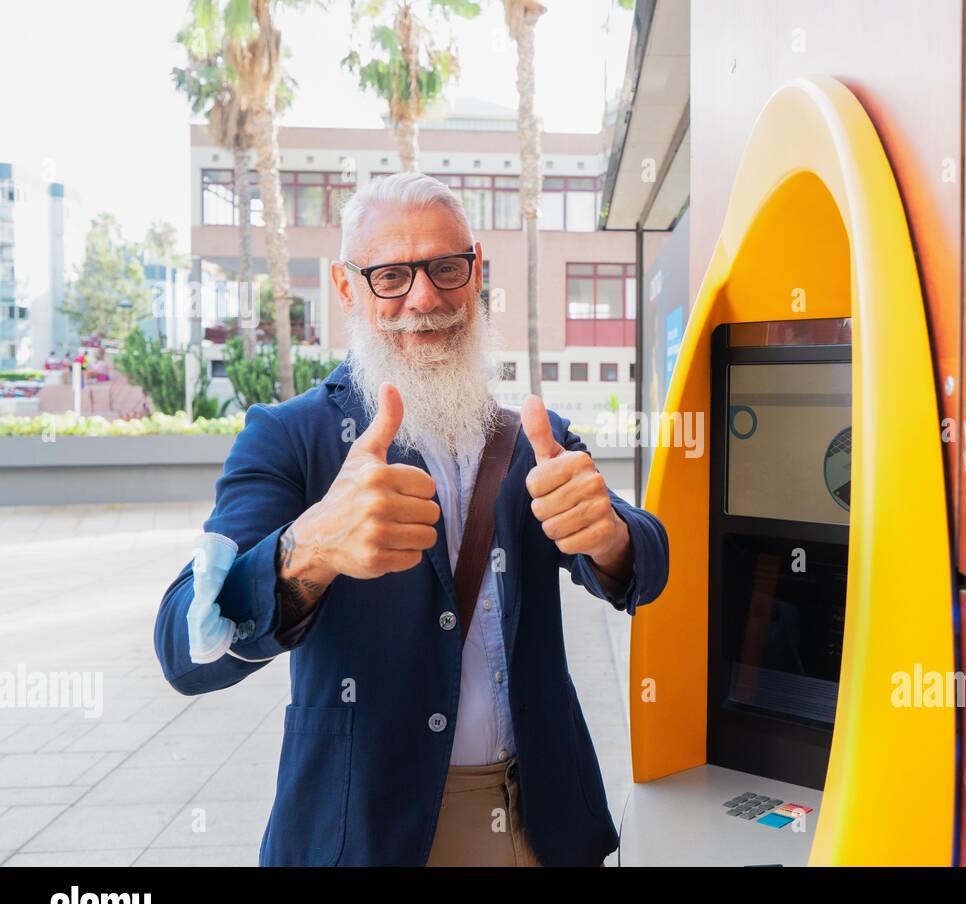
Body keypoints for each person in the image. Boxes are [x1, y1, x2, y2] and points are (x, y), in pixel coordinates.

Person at [153, 171, 669, 866]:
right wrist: (306, 551)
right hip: (369, 828)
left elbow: (651, 562)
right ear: (347, 289)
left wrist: (610, 536)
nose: (424, 298)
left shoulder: (531, 438)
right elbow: (187, 650)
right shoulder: (287, 436)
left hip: (541, 821)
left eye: (445, 268)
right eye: (390, 275)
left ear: (476, 271)